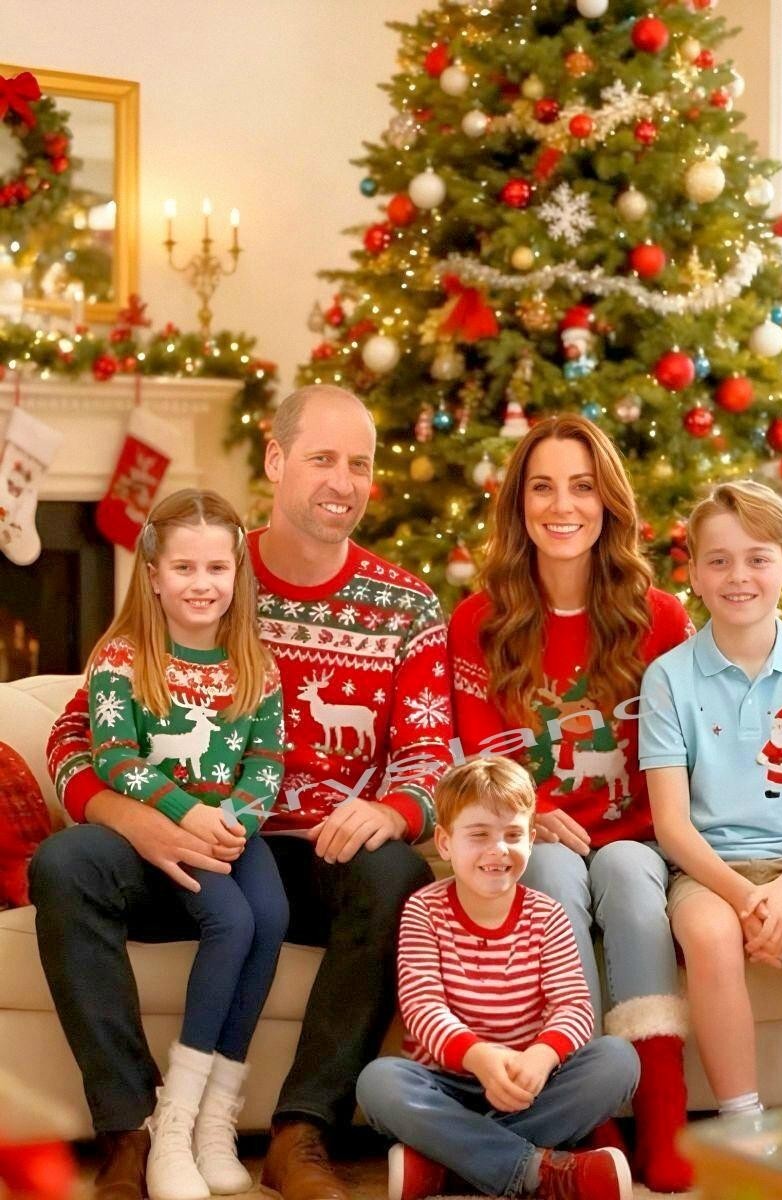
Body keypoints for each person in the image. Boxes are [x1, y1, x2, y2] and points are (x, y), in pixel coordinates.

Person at [30, 385, 453, 1200]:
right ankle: (129, 1130)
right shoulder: (207, 565)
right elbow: (75, 735)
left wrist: (390, 809)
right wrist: (135, 818)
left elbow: (433, 759)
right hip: (173, 838)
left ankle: (303, 1132)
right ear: (276, 460)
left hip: (311, 854)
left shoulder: (406, 608)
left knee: (396, 876)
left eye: (359, 464)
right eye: (322, 458)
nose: (342, 481)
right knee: (66, 864)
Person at [448, 414, 695, 1193]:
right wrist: (531, 812)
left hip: (637, 838)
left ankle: (663, 1112)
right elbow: (485, 763)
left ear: (608, 503)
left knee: (624, 873)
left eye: (583, 487)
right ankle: (590, 1115)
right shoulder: (478, 624)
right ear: (519, 505)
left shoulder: (659, 618)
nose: (564, 506)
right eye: (543, 487)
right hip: (537, 836)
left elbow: (677, 757)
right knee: (549, 870)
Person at [639, 480, 782, 1121]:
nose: (738, 576)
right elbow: (672, 824)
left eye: (758, 558)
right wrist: (746, 899)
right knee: (712, 939)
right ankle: (743, 1125)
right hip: (709, 872)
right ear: (693, 574)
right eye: (718, 560)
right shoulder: (667, 678)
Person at [85, 488, 288, 1200]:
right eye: (185, 569)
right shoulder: (123, 659)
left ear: (238, 574)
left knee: (272, 917)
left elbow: (266, 766)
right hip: (167, 830)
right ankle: (172, 1122)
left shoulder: (255, 665)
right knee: (231, 921)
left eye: (217, 569)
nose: (202, 585)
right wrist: (183, 814)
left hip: (231, 826)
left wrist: (232, 817)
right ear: (153, 574)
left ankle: (214, 1120)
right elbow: (113, 756)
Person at [356, 757, 639, 1200]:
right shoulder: (423, 910)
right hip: (448, 1085)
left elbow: (574, 1007)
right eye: (480, 835)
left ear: (530, 839)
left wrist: (541, 1057)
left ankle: (450, 1162)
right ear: (446, 843)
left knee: (618, 1060)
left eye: (513, 835)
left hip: (530, 1084)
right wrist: (480, 1058)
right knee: (379, 1082)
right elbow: (422, 1007)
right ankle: (532, 1170)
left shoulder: (547, 915)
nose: (498, 849)